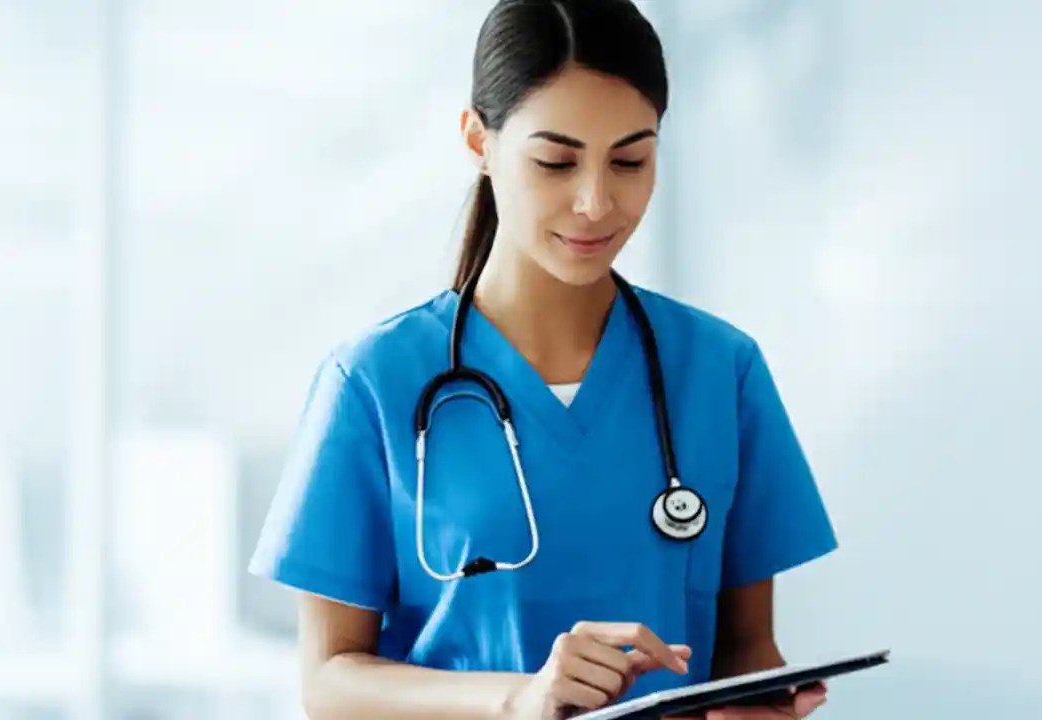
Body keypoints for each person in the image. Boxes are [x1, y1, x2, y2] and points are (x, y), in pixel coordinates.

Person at [248, 1, 838, 718]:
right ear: (479, 141)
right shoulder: (371, 383)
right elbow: (328, 681)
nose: (596, 202)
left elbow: (748, 647)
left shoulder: (721, 372)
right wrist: (518, 699)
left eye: (630, 160)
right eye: (556, 162)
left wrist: (758, 704)